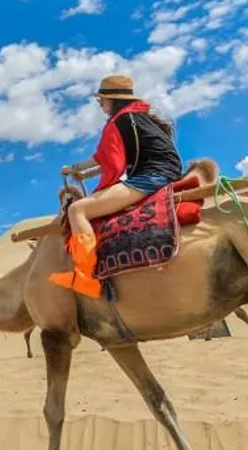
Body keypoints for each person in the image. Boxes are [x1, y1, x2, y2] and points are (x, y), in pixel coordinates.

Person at [50, 75, 183, 298]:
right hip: (162, 173)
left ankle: (87, 277)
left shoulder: (119, 121)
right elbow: (113, 161)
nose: (101, 105)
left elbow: (105, 159)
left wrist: (73, 168)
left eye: (101, 100)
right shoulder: (138, 118)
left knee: (77, 210)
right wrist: (82, 174)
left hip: (151, 177)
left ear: (112, 99)